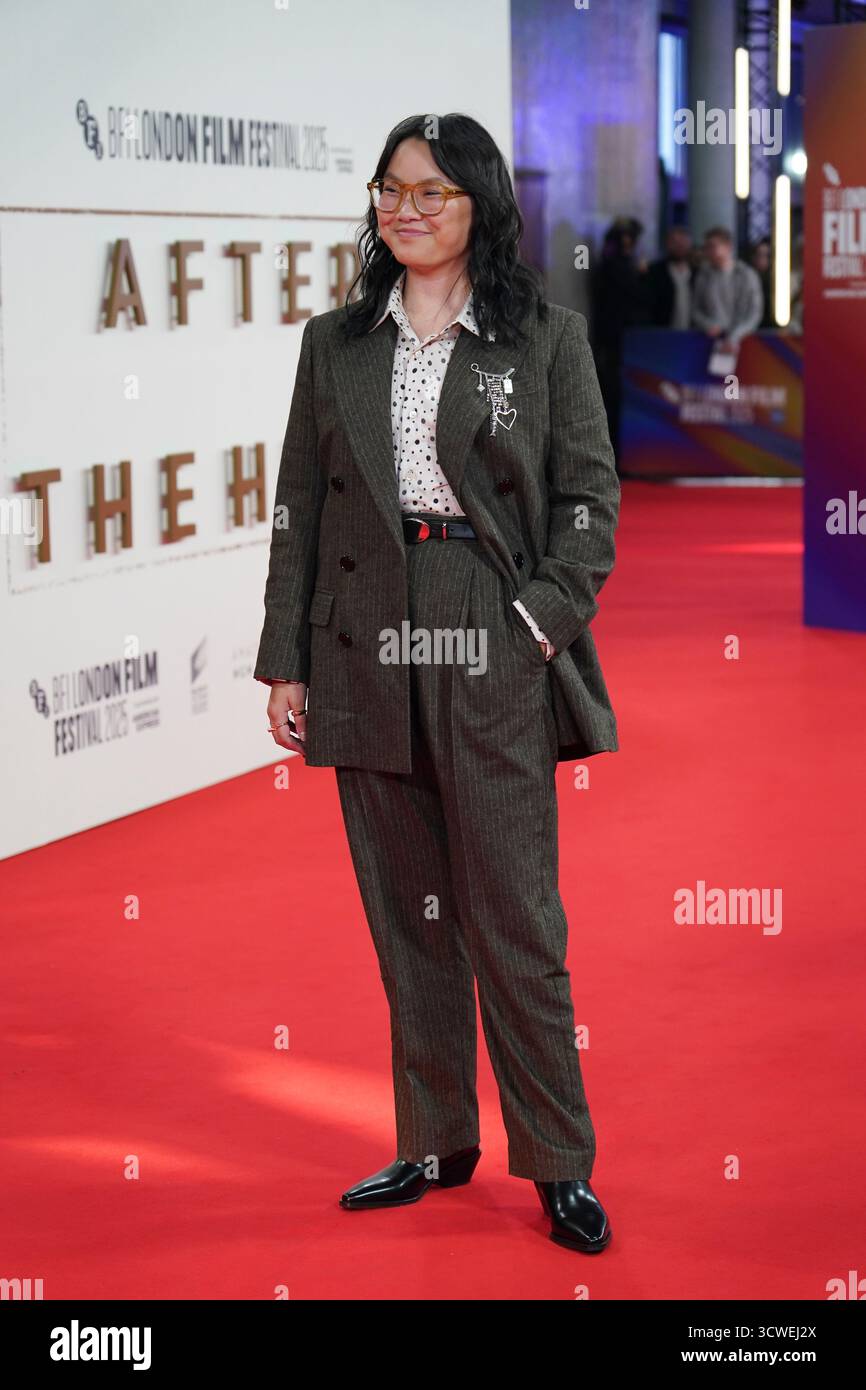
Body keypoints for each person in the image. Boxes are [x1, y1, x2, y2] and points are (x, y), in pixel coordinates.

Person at [254, 112, 621, 1254]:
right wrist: (286, 659)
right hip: (361, 635)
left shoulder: (542, 339)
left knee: (513, 915)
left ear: (480, 207)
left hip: (484, 621)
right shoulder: (335, 342)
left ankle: (555, 1158)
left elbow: (587, 504)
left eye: (432, 193)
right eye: (389, 191)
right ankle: (434, 1137)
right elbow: (299, 511)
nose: (404, 211)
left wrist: (531, 627)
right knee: (406, 911)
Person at [590, 215, 651, 457]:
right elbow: (636, 297)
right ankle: (616, 452)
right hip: (616, 340)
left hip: (619, 340)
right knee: (615, 397)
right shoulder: (616, 266)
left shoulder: (613, 263)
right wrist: (642, 275)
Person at [691, 226, 763, 350]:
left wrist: (735, 335)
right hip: (709, 340)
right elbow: (695, 309)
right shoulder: (703, 276)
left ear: (728, 246)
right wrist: (707, 325)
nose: (709, 251)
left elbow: (754, 313)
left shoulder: (746, 274)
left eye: (713, 246)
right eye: (707, 247)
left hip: (743, 340)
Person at [646, 226, 696, 328]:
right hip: (662, 331)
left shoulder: (698, 273)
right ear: (667, 244)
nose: (680, 246)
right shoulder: (654, 271)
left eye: (683, 242)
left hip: (692, 333)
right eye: (675, 242)